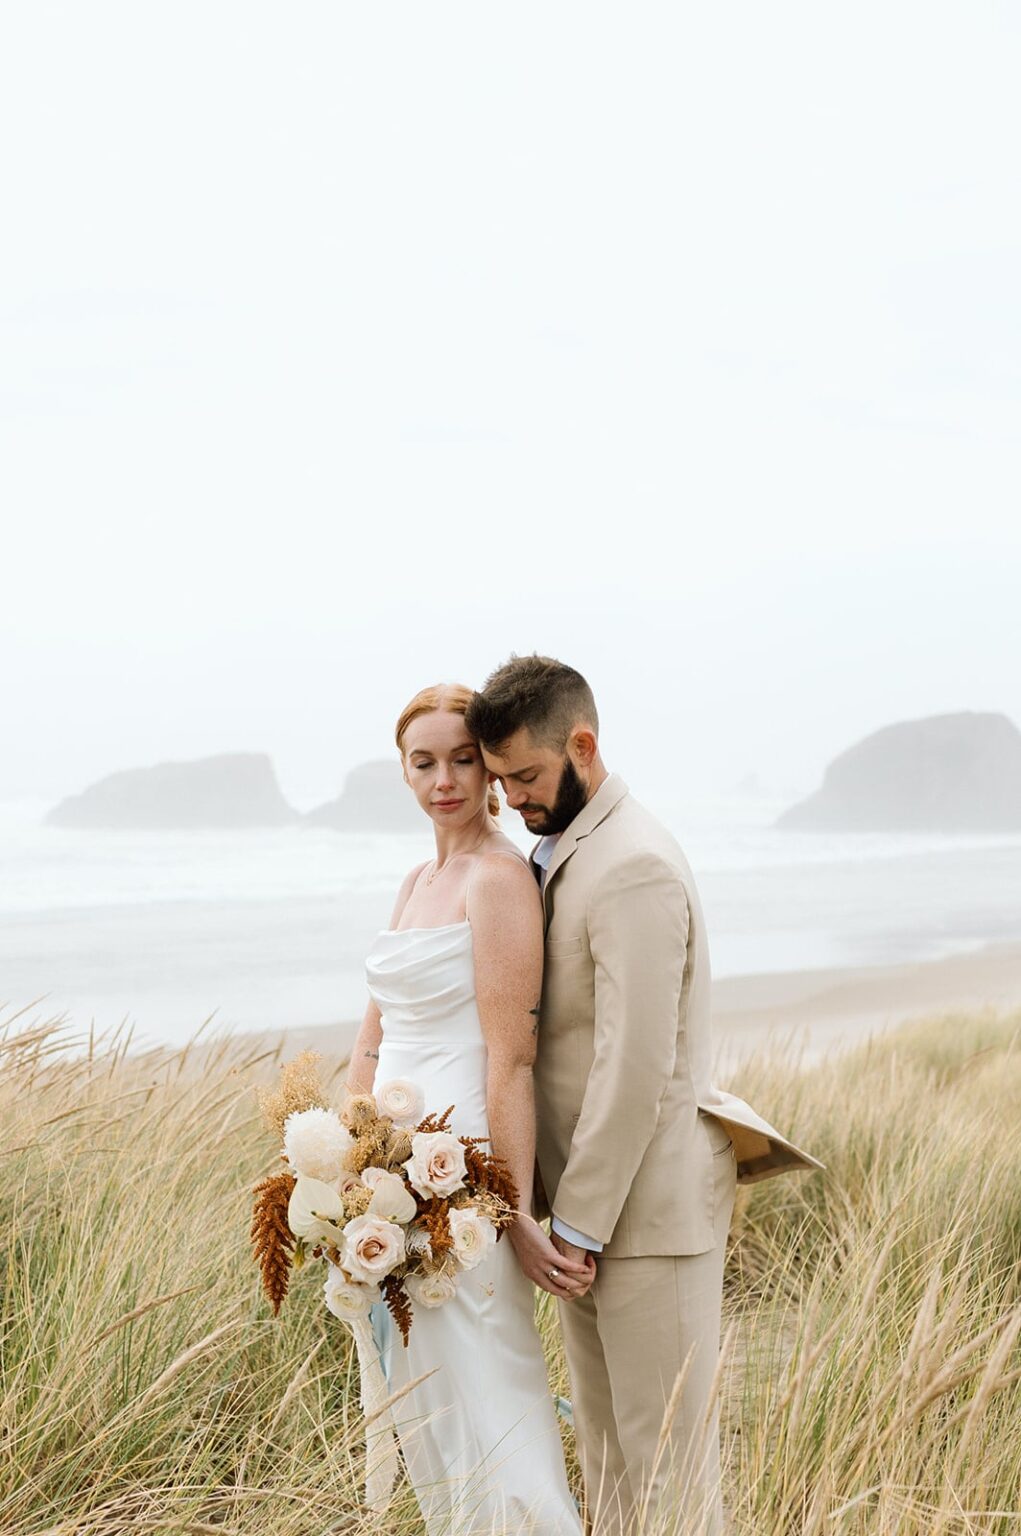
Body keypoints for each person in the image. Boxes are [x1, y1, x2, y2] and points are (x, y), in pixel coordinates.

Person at [466, 656, 823, 1536]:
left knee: (669, 1476)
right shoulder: (566, 850)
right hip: (592, 1216)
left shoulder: (633, 867)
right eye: (502, 780)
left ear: (581, 745)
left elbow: (637, 1067)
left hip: (646, 1215)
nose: (511, 800)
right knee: (609, 1463)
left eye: (525, 777)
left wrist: (575, 1226)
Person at [347, 683, 586, 1536]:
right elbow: (372, 1042)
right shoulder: (417, 879)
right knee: (425, 1382)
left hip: (464, 1167)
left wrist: (512, 1209)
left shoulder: (497, 880)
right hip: (386, 1170)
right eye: (424, 761)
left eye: (461, 759)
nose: (444, 779)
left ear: (486, 767)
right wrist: (343, 1161)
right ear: (403, 769)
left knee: (487, 1369)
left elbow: (511, 1057)